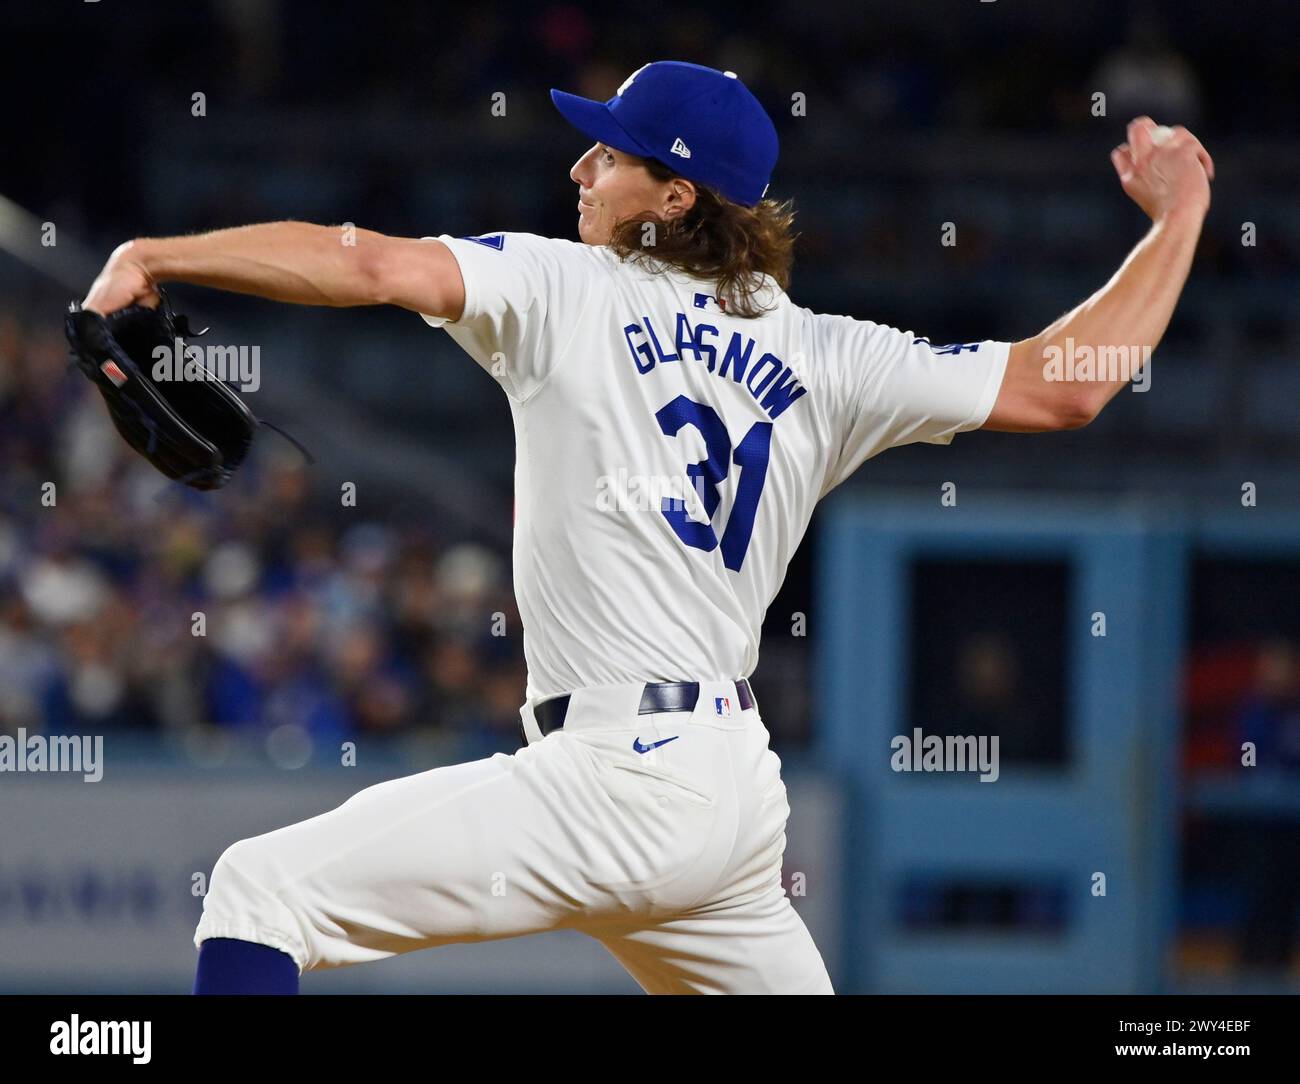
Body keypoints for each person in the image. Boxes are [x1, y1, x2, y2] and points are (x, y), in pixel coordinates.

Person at [82, 60, 1215, 995]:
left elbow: (362, 261)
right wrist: (1182, 217)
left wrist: (156, 257)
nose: (580, 163)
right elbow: (1065, 384)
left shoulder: (568, 288)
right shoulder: (831, 353)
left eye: (611, 151)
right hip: (728, 802)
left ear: (677, 198)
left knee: (253, 892)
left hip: (614, 776)